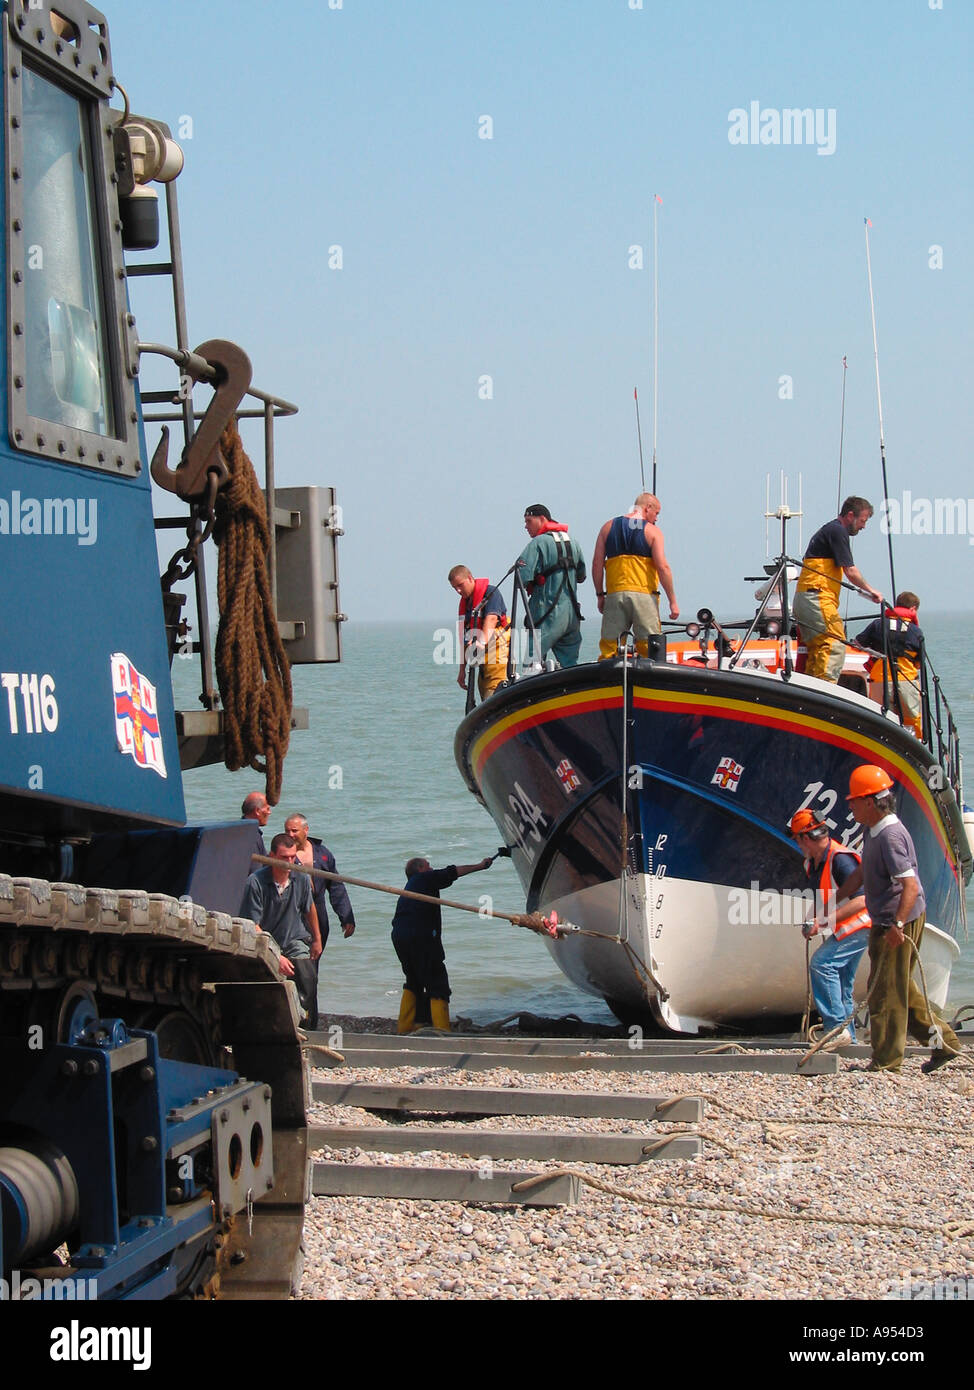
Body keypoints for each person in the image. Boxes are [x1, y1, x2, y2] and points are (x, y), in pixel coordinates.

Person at [839, 765, 961, 1074]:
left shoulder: (891, 836)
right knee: (899, 986)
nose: (850, 806)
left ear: (870, 801)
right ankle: (944, 1044)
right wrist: (836, 899)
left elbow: (910, 885)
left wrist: (897, 925)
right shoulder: (873, 829)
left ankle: (886, 1061)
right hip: (888, 917)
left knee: (885, 991)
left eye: (853, 801)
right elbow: (864, 871)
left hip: (898, 920)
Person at [788, 808, 870, 1050]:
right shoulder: (816, 862)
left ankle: (835, 1030)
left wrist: (822, 922)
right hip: (849, 926)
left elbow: (862, 900)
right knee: (843, 982)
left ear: (805, 838)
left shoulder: (840, 859)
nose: (798, 845)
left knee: (822, 965)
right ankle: (849, 1040)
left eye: (797, 839)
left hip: (861, 924)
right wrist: (811, 917)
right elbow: (826, 895)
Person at [391, 855, 494, 1034]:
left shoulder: (412, 887)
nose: (431, 868)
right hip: (419, 936)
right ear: (420, 868)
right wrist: (480, 865)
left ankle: (407, 1027)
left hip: (400, 936)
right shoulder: (424, 878)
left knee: (414, 980)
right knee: (437, 982)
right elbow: (452, 872)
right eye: (428, 865)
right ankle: (441, 1030)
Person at [792, 496, 883, 682]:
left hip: (806, 598)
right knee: (834, 644)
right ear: (851, 515)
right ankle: (825, 691)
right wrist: (871, 590)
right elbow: (850, 570)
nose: (864, 526)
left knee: (818, 649)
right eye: (863, 521)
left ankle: (811, 688)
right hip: (816, 596)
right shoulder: (837, 531)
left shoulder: (829, 530)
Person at [240, 832, 322, 1025]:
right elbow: (253, 925)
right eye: (284, 858)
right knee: (266, 986)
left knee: (307, 976)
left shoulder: (300, 878)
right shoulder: (255, 882)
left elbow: (310, 907)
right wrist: (276, 955)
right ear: (272, 856)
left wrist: (317, 938)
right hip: (265, 941)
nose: (289, 862)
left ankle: (305, 1026)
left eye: (293, 857)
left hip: (293, 939)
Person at [591, 493, 679, 659]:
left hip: (615, 595)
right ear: (648, 508)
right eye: (657, 513)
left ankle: (611, 680)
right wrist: (673, 601)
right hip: (644, 597)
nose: (657, 518)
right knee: (650, 646)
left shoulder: (607, 527)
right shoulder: (653, 532)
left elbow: (597, 564)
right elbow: (663, 567)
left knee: (611, 646)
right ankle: (648, 681)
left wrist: (599, 594)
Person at [516, 504, 586, 668]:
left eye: (528, 521)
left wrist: (534, 582)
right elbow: (581, 576)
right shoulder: (574, 543)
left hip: (547, 614)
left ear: (541, 519)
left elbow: (521, 576)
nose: (526, 526)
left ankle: (531, 691)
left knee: (532, 664)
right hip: (572, 616)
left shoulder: (538, 543)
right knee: (570, 663)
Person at [854, 591, 924, 737]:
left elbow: (858, 643)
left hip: (880, 680)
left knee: (880, 722)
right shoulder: (916, 631)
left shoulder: (877, 624)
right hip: (906, 680)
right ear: (912, 609)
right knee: (911, 722)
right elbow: (918, 663)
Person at [283, 813, 356, 947]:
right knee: (298, 959)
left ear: (306, 830)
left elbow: (336, 887)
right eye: (287, 831)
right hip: (293, 914)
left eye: (294, 831)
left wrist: (346, 917)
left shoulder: (322, 853)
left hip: (319, 914)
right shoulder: (283, 855)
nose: (290, 835)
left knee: (314, 960)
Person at [448, 565, 511, 699]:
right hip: (482, 661)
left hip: (498, 657)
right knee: (483, 692)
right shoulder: (466, 605)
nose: (458, 591)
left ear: (470, 578)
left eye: (460, 585)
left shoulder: (491, 593)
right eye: (454, 588)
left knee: (493, 695)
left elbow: (492, 619)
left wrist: (481, 641)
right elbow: (464, 639)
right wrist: (461, 670)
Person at [241, 790, 271, 855]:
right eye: (267, 809)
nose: (269, 812)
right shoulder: (252, 836)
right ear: (257, 811)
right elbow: (256, 864)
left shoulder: (239, 829)